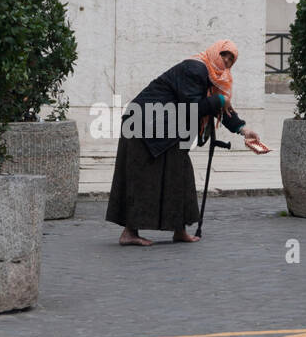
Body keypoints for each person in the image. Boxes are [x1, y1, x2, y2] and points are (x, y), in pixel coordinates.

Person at [106, 39, 263, 246]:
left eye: (231, 59)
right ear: (215, 52)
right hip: (144, 124)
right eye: (224, 55)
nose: (226, 61)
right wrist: (220, 101)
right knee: (143, 179)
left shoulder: (215, 79)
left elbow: (218, 107)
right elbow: (193, 107)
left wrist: (243, 130)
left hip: (165, 128)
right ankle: (129, 233)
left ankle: (179, 230)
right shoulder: (195, 68)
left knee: (180, 177)